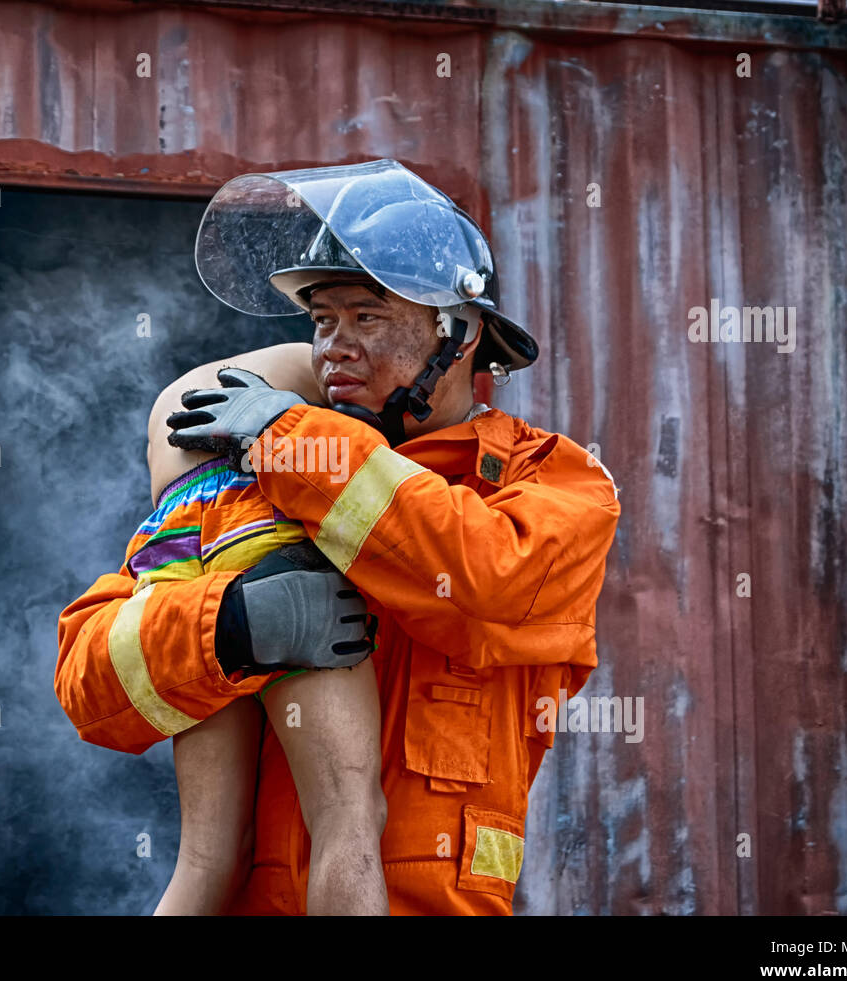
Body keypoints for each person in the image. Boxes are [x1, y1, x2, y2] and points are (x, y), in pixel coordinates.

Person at [55, 159, 620, 914]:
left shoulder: (551, 481)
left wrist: (296, 442)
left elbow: (488, 582)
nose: (334, 347)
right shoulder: (256, 484)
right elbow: (91, 688)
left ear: (459, 333)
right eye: (323, 321)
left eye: (368, 317)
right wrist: (226, 628)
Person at [134, 343, 388, 915]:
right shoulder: (351, 356)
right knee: (347, 816)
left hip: (170, 546)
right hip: (255, 511)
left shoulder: (225, 371)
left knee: (206, 857)